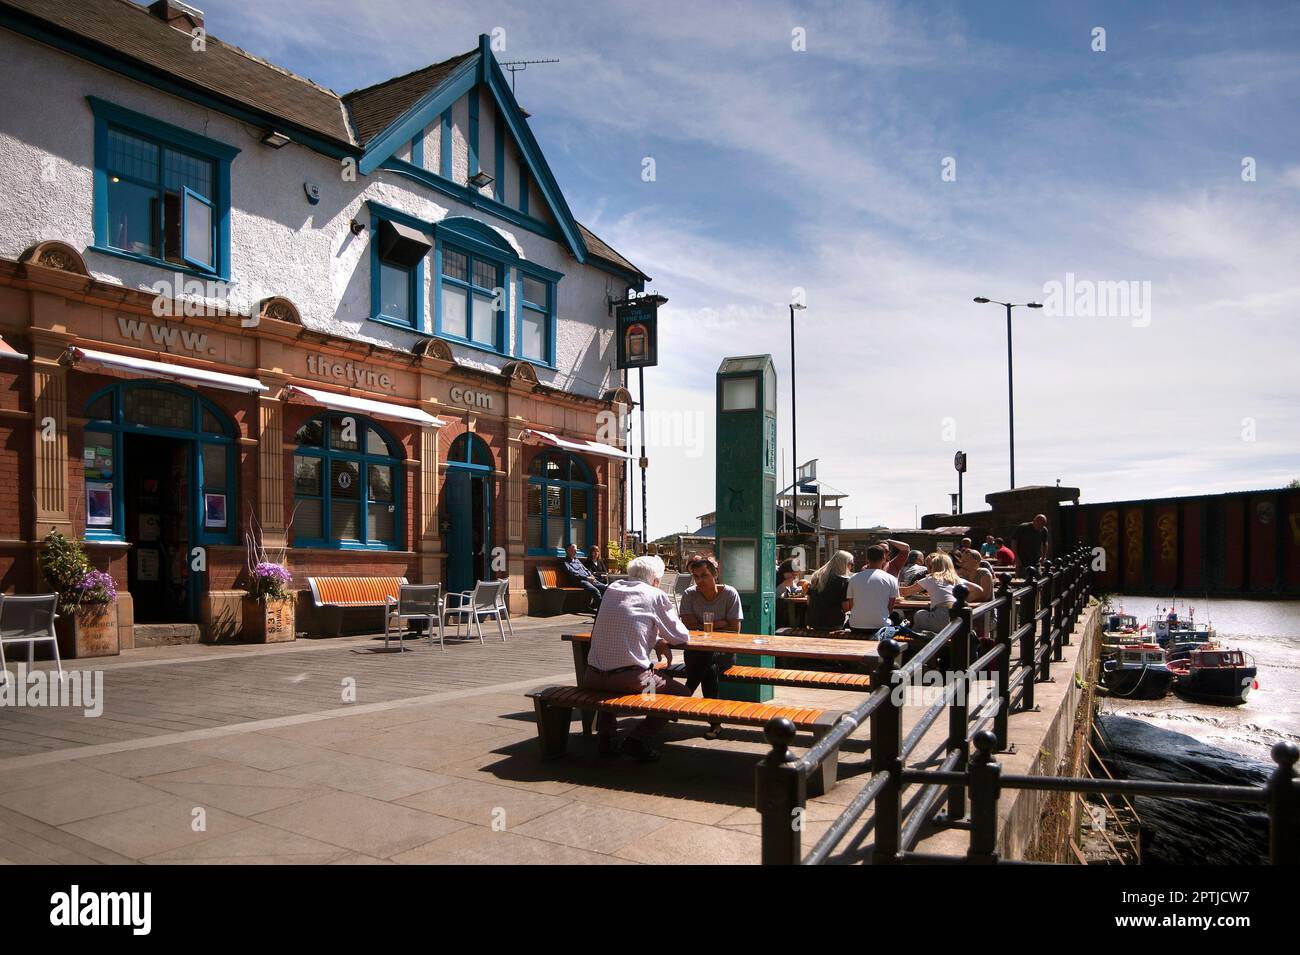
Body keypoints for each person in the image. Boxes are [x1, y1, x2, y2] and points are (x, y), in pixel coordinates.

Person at [583, 555, 692, 760]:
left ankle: (606, 738)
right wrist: (662, 636)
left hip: (592, 677)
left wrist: (656, 638)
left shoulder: (612, 590)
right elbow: (679, 637)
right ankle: (637, 739)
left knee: (608, 688)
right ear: (656, 581)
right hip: (633, 681)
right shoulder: (655, 594)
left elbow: (630, 624)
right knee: (682, 694)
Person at [678, 553, 743, 737]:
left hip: (723, 652)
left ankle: (684, 694)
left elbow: (735, 629)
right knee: (708, 665)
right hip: (695, 652)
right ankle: (715, 724)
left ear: (715, 574)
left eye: (704, 575)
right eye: (696, 576)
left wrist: (708, 626)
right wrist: (721, 623)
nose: (700, 580)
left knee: (710, 663)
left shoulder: (730, 594)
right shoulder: (689, 594)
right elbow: (687, 625)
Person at [900, 552, 971, 633]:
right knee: (919, 624)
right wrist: (967, 599)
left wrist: (890, 586)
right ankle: (919, 638)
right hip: (958, 619)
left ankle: (915, 640)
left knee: (918, 615)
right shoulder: (958, 579)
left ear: (935, 567)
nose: (928, 569)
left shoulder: (932, 578)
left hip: (941, 618)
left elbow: (905, 592)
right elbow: (978, 589)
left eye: (931, 566)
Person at [844, 544, 899, 636]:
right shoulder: (891, 579)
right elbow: (890, 609)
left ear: (867, 559)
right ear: (884, 558)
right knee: (898, 617)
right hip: (881, 626)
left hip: (855, 625)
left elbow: (851, 605)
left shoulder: (853, 578)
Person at [806, 550, 854, 630]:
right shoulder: (843, 581)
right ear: (844, 564)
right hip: (833, 623)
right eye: (851, 564)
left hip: (813, 621)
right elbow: (846, 608)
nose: (851, 567)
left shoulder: (817, 576)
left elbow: (808, 601)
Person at [563, 542, 606, 609]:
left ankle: (599, 607)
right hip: (579, 581)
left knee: (606, 588)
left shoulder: (577, 560)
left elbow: (585, 569)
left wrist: (591, 576)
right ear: (568, 550)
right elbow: (573, 574)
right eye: (574, 550)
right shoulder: (565, 562)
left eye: (576, 550)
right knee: (595, 591)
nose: (576, 551)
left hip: (588, 579)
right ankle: (601, 611)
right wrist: (587, 578)